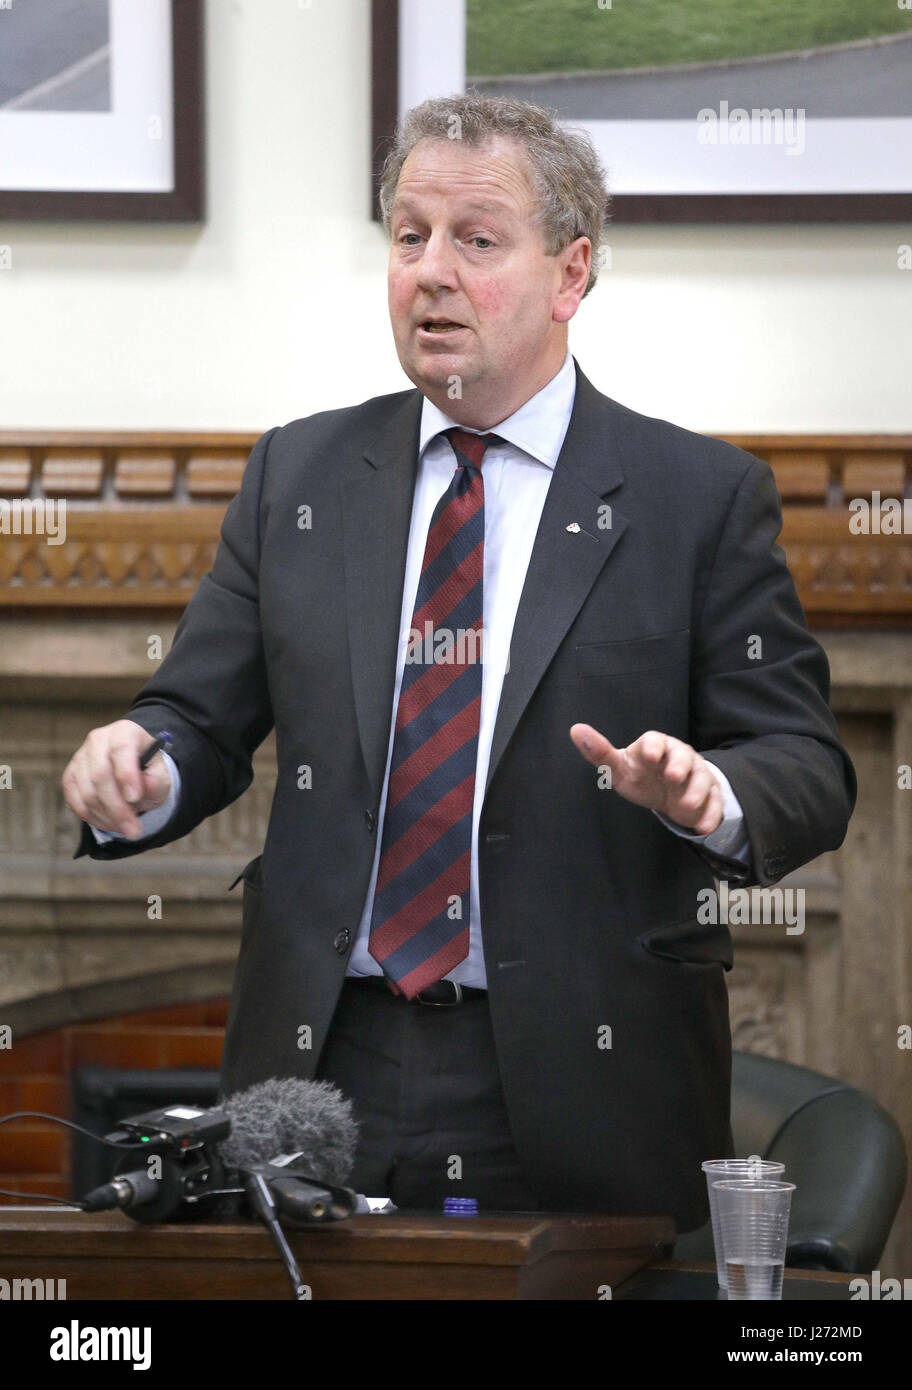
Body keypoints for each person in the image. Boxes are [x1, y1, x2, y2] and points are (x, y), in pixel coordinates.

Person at [62, 93, 855, 1230]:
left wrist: (710, 790)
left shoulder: (697, 499)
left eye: (476, 240)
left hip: (579, 1071)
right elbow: (196, 715)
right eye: (408, 234)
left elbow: (808, 767)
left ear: (571, 274)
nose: (430, 271)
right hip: (320, 1059)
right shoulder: (303, 476)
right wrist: (142, 767)